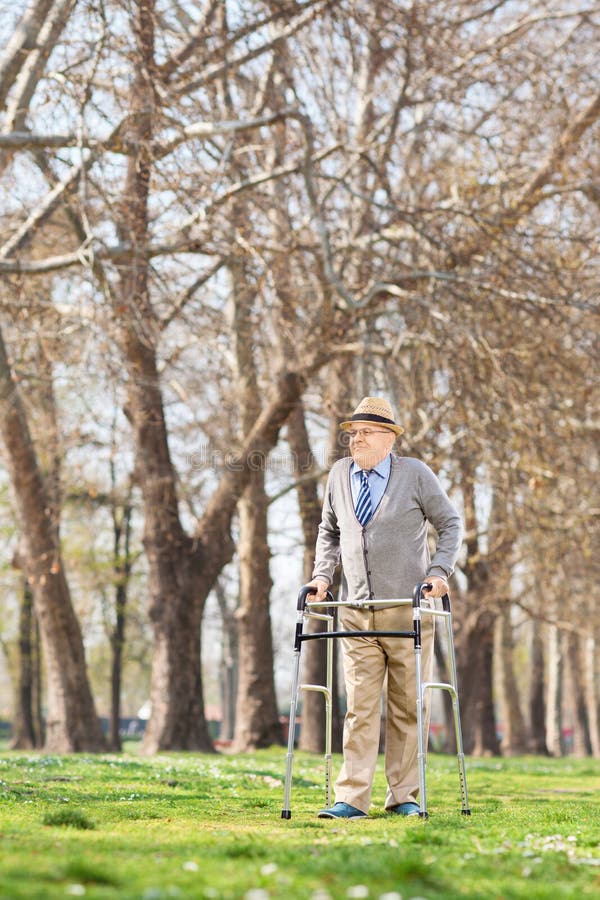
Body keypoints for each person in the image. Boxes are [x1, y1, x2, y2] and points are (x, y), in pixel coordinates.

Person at [307, 397, 462, 819]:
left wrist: (439, 571)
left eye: (365, 432)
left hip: (406, 609)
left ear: (389, 438)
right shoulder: (339, 474)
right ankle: (351, 798)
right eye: (352, 432)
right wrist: (323, 576)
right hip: (356, 609)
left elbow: (450, 523)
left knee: (407, 706)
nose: (355, 439)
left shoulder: (414, 474)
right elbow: (329, 531)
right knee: (358, 706)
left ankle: (404, 796)